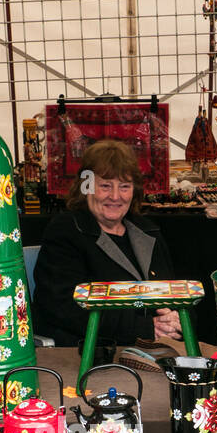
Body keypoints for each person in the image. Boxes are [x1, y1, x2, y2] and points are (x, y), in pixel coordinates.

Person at [33, 140, 183, 350]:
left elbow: (176, 292)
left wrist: (176, 319)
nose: (115, 196)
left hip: (150, 348)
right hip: (88, 352)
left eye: (124, 186)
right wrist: (145, 328)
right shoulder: (66, 231)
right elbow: (63, 307)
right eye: (105, 186)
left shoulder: (148, 231)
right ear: (86, 187)